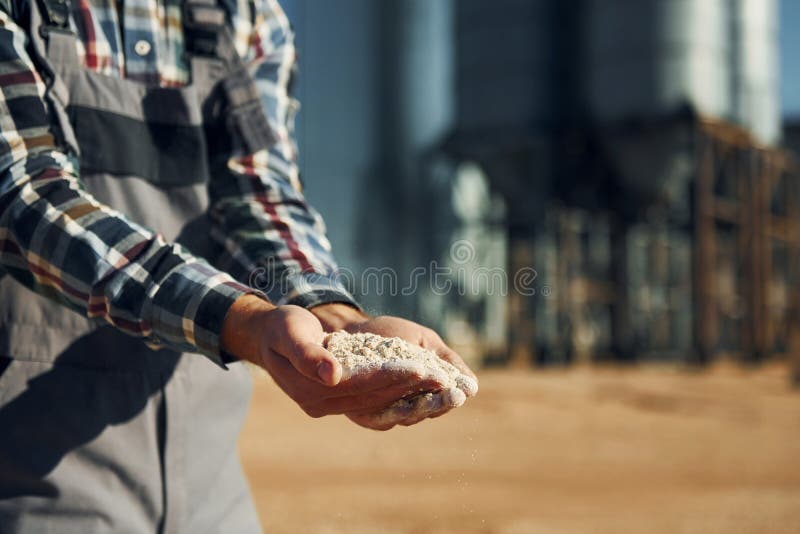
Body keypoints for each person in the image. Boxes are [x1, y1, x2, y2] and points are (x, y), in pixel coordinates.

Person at [0, 0, 477, 531]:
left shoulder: (242, 14)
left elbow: (257, 195)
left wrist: (335, 319)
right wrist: (244, 321)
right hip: (33, 478)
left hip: (209, 488)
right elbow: (28, 199)